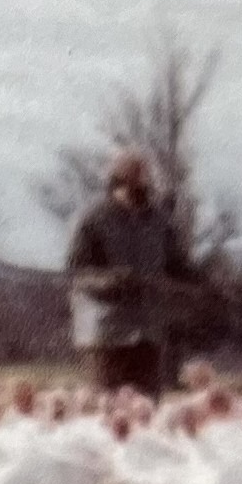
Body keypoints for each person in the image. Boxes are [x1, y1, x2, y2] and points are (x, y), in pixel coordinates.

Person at [65, 151, 182, 397]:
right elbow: (77, 274)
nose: (143, 189)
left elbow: (178, 267)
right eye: (135, 183)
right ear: (117, 182)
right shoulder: (92, 220)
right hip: (105, 333)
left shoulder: (160, 222)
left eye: (145, 182)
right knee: (107, 407)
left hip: (148, 332)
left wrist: (214, 280)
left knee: (146, 407)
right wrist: (112, 282)